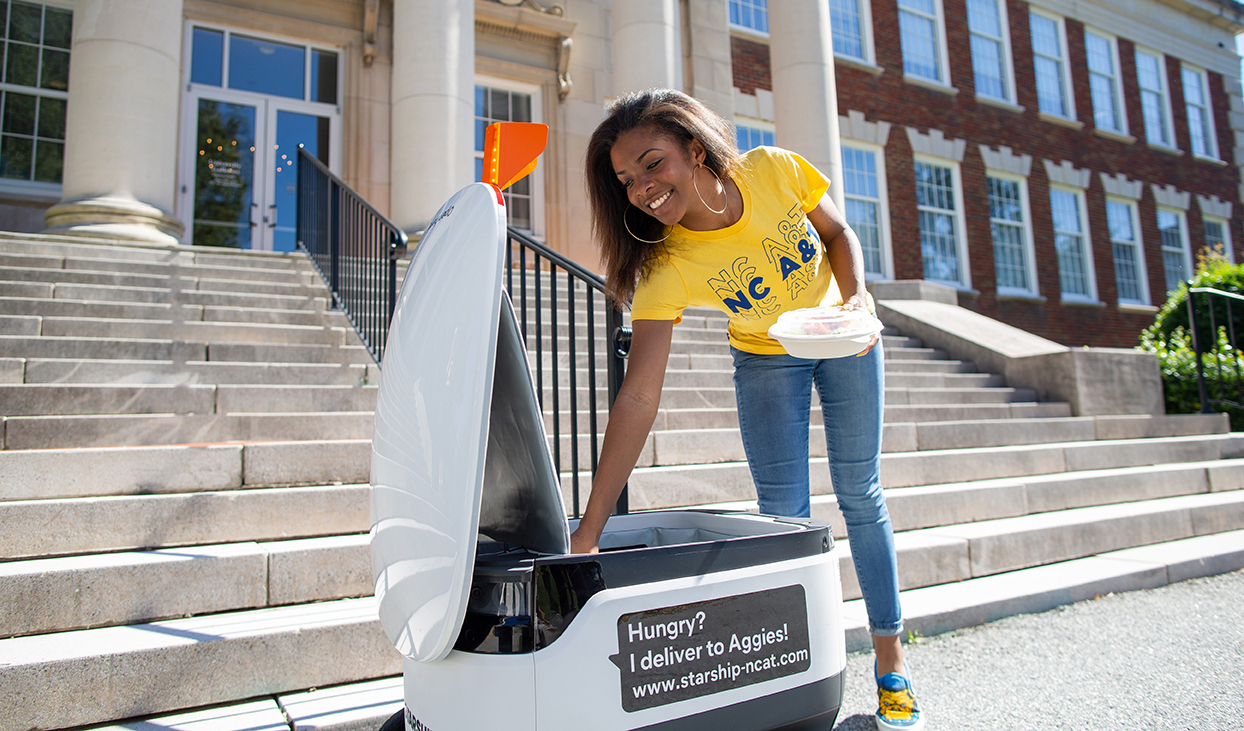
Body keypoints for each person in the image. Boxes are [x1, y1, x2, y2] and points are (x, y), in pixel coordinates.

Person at [569, 89, 923, 731]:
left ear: (695, 150)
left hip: (843, 337)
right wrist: (590, 529)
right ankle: (808, 665)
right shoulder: (666, 266)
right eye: (625, 179)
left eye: (653, 164)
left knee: (860, 492)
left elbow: (838, 233)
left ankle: (890, 658)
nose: (641, 187)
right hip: (765, 357)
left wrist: (857, 302)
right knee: (782, 515)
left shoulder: (773, 170)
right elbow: (640, 395)